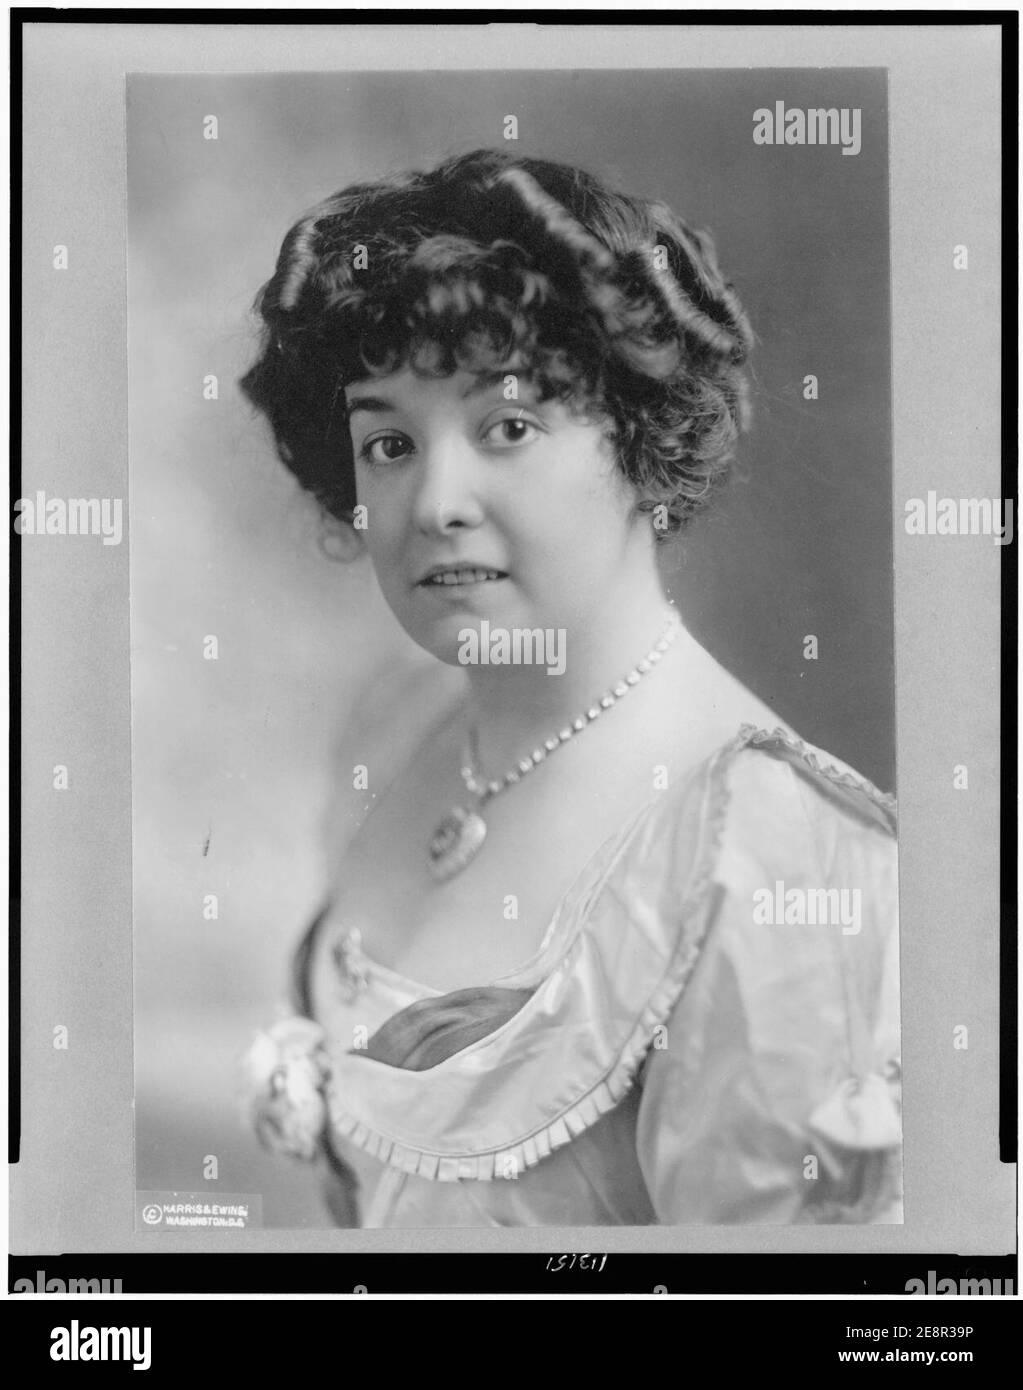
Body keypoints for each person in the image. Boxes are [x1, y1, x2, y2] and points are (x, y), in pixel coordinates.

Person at [237, 148, 902, 1227]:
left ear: (643, 437)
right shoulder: (404, 719)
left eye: (508, 426)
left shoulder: (779, 862)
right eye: (390, 441)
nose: (437, 500)